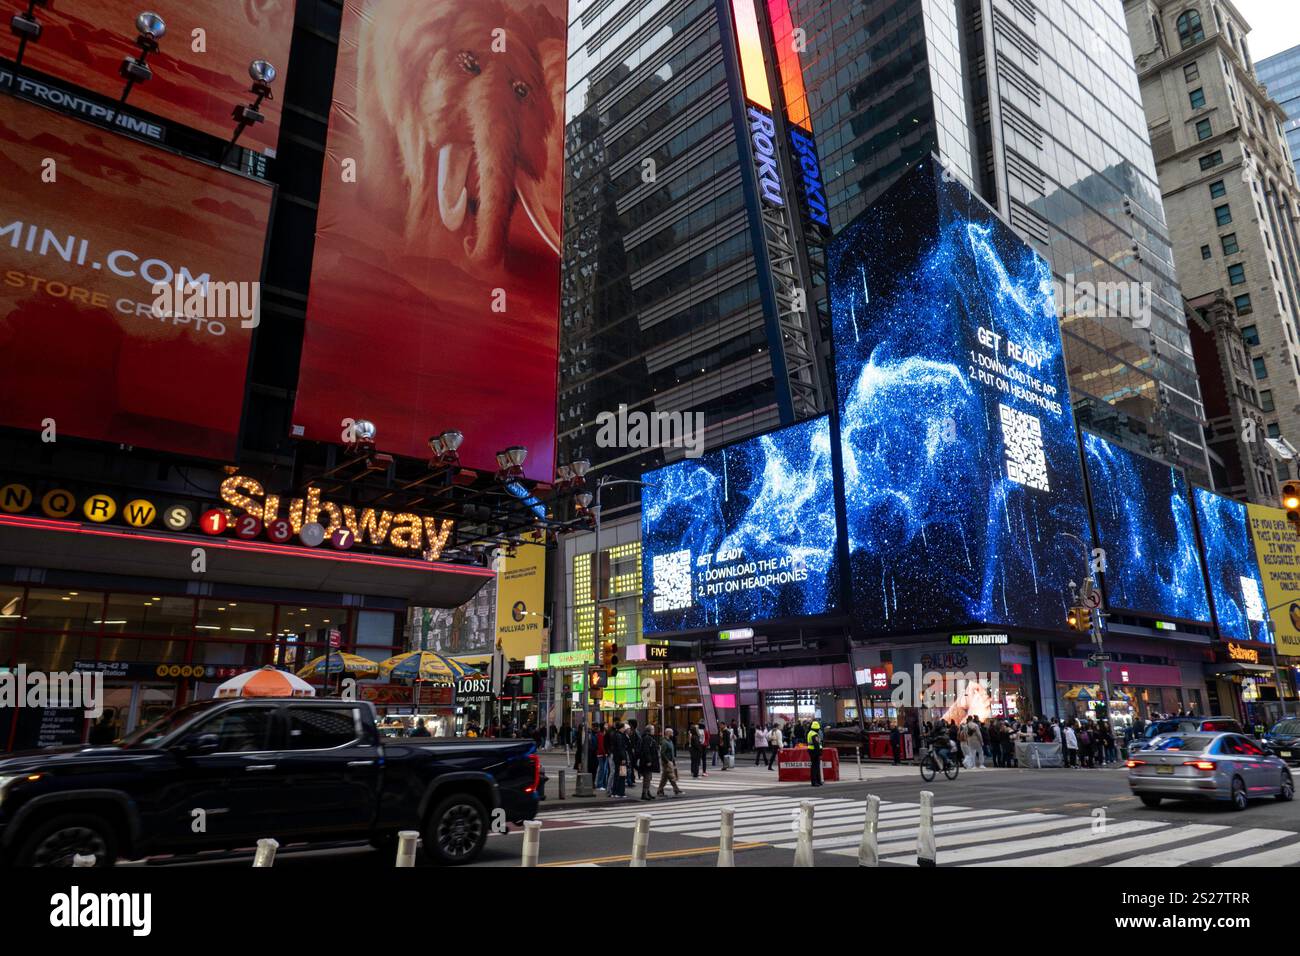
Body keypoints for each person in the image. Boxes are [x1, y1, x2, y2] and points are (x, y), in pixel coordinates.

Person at [639, 725, 661, 800]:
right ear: (649, 731)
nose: (654, 730)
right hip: (647, 762)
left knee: (649, 777)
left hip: (648, 761)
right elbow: (646, 750)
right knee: (647, 778)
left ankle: (647, 792)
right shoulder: (647, 738)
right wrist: (648, 760)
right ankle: (644, 793)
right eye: (653, 729)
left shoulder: (648, 738)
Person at [658, 728, 682, 796]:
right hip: (667, 762)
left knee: (664, 777)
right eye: (671, 733)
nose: (673, 734)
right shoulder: (665, 742)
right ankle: (676, 788)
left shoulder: (670, 741)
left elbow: (671, 753)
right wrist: (667, 761)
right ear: (668, 733)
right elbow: (662, 753)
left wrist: (673, 761)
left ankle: (660, 790)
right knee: (671, 776)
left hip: (670, 761)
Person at [609, 723, 628, 798]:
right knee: (621, 775)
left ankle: (614, 792)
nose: (624, 729)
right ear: (621, 728)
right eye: (624, 728)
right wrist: (623, 758)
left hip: (616, 757)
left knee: (617, 774)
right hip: (620, 758)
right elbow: (621, 748)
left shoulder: (615, 734)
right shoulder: (619, 736)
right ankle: (619, 792)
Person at [807, 720, 825, 787]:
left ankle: (818, 781)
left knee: (815, 767)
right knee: (815, 767)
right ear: (817, 728)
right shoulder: (814, 734)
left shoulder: (810, 732)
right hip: (815, 751)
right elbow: (816, 744)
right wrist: (819, 752)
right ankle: (815, 782)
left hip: (811, 751)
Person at [594, 722, 610, 791]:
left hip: (603, 754)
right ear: (603, 726)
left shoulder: (604, 734)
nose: (607, 726)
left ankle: (603, 784)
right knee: (602, 770)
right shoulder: (600, 734)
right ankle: (599, 784)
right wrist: (605, 753)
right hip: (601, 754)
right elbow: (601, 745)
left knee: (604, 770)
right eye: (606, 725)